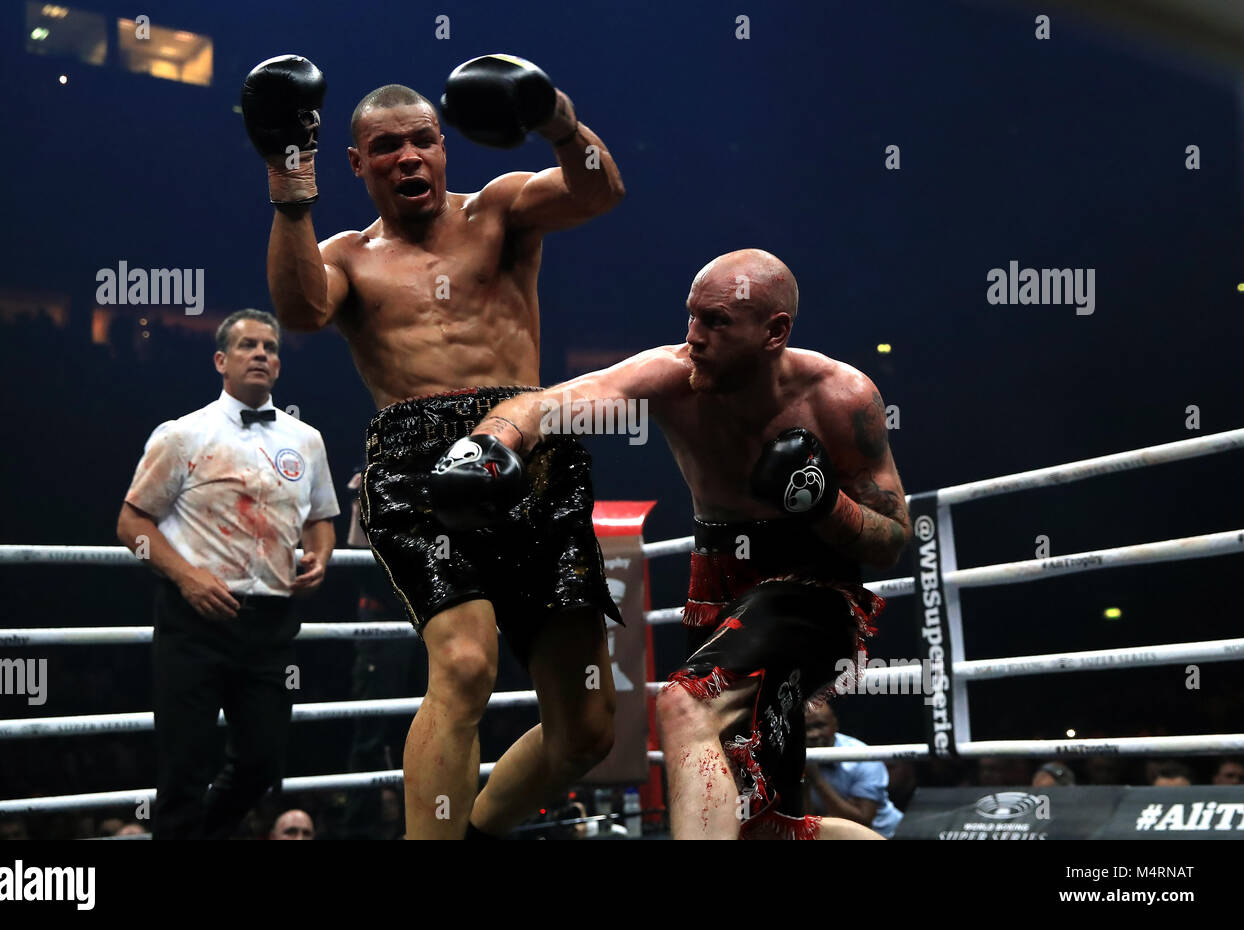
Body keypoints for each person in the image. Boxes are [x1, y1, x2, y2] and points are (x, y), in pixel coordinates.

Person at [242, 53, 626, 839]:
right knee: (462, 665)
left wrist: (553, 113)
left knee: (586, 730)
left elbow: (599, 189)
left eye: (423, 140)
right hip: (417, 463)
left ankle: (476, 829)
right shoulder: (348, 253)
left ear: (445, 146)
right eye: (386, 147)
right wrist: (290, 189)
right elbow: (303, 311)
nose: (408, 157)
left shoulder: (500, 209)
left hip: (531, 444)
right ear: (356, 163)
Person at [432, 248, 911, 839]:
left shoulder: (840, 397)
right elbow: (549, 404)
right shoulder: (673, 375)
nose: (695, 337)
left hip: (812, 590)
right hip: (719, 591)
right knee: (763, 827)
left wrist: (823, 502)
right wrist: (487, 446)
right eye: (691, 317)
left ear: (775, 332)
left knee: (688, 704)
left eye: (716, 322)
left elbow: (892, 538)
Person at [117, 310, 340, 840]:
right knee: (184, 769)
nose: (261, 353)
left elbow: (321, 519)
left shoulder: (307, 440)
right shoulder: (182, 435)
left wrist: (321, 557)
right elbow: (131, 522)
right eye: (247, 346)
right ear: (221, 361)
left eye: (269, 346)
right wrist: (188, 576)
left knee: (262, 762)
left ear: (280, 365)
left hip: (271, 624)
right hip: (194, 620)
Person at [803, 701, 904, 838]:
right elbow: (804, 822)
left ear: (835, 725)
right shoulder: (793, 757)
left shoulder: (862, 756)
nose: (813, 734)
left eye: (820, 725)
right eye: (806, 728)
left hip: (888, 834)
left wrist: (816, 779)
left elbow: (862, 820)